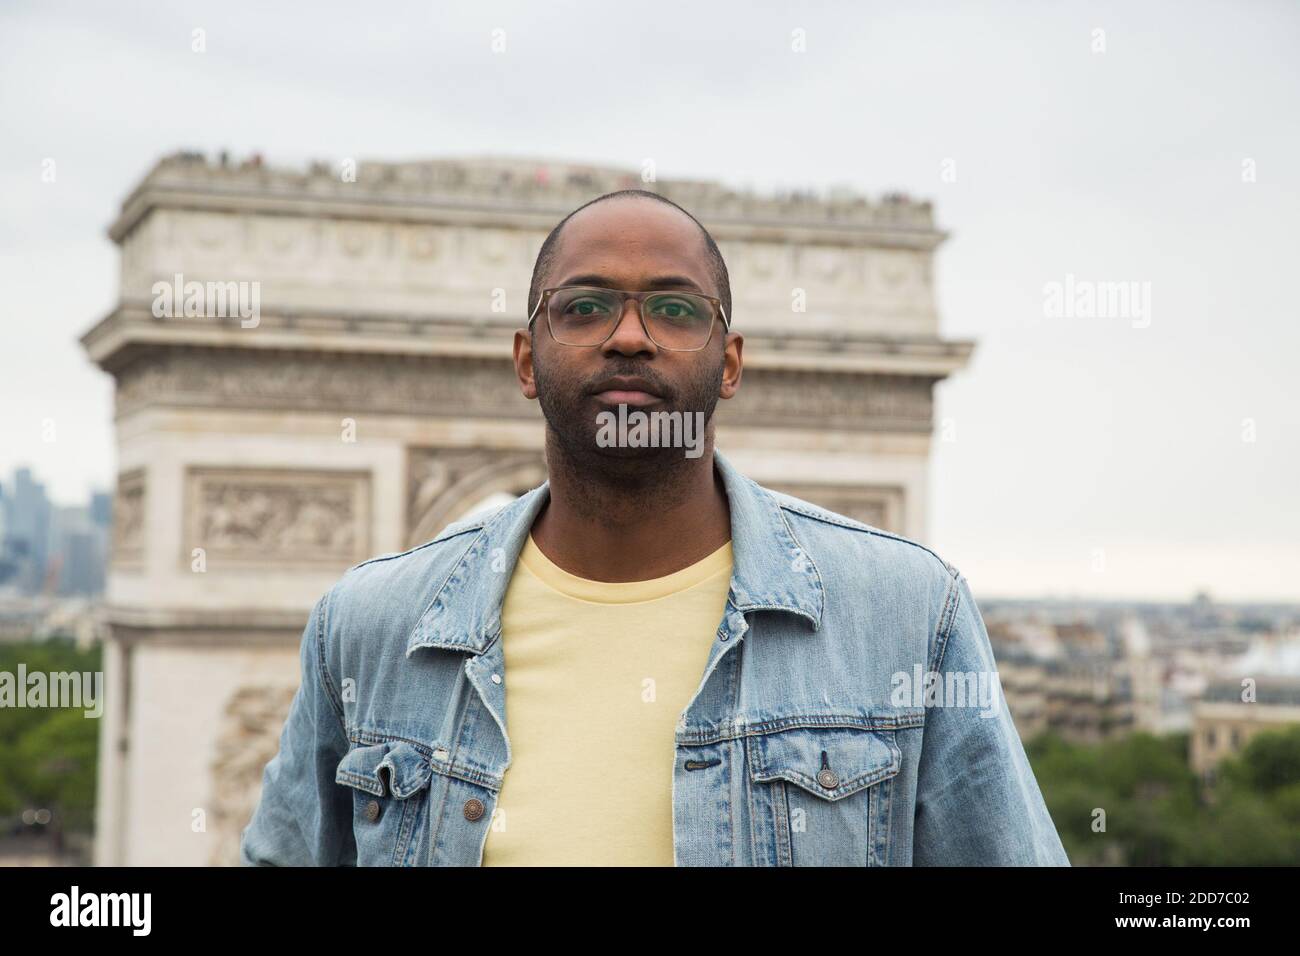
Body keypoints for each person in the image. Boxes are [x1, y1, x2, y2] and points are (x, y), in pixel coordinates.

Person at [240, 189, 1069, 866]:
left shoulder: (910, 617)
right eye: (585, 306)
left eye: (674, 310)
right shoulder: (365, 626)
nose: (629, 337)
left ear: (731, 362)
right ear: (526, 360)